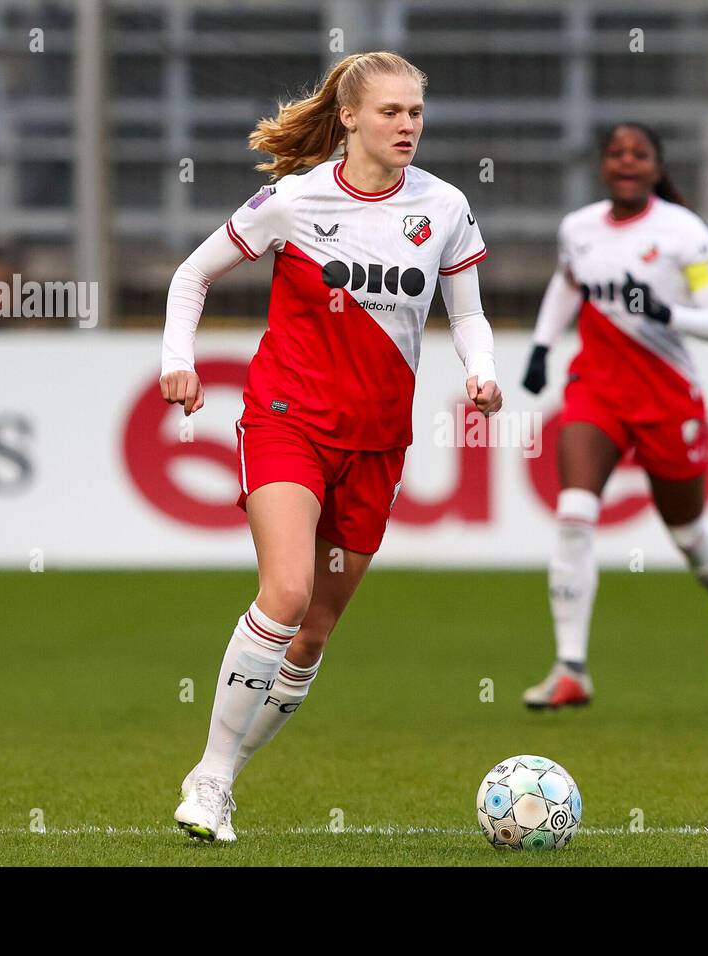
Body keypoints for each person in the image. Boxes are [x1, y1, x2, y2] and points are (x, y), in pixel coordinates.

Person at [160, 52, 500, 842]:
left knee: (312, 634)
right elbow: (191, 274)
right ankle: (208, 780)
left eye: (415, 111)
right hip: (287, 418)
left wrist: (482, 371)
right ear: (349, 118)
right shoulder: (292, 199)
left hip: (378, 442)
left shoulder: (444, 206)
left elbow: (469, 313)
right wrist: (177, 360)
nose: (407, 125)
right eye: (390, 112)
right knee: (284, 593)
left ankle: (223, 781)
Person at [520, 122, 708, 709]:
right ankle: (571, 668)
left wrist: (667, 312)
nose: (626, 162)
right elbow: (567, 283)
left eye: (639, 153)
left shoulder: (684, 233)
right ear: (603, 165)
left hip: (666, 398)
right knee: (574, 513)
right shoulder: (579, 229)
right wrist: (544, 346)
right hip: (596, 389)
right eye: (616, 153)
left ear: (656, 165)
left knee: (688, 535)